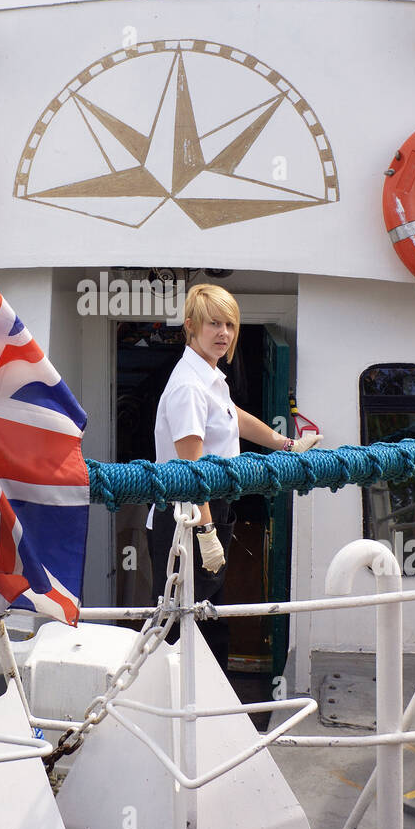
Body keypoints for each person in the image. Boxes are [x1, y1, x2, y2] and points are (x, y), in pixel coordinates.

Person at [146, 283, 320, 670]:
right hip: (187, 521)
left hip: (208, 513)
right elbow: (191, 471)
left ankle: (209, 711)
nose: (223, 333)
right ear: (191, 326)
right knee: (186, 628)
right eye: (213, 324)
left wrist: (286, 445)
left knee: (208, 618)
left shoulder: (209, 377)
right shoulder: (189, 387)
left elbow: (233, 417)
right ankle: (182, 715)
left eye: (229, 325)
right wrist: (207, 533)